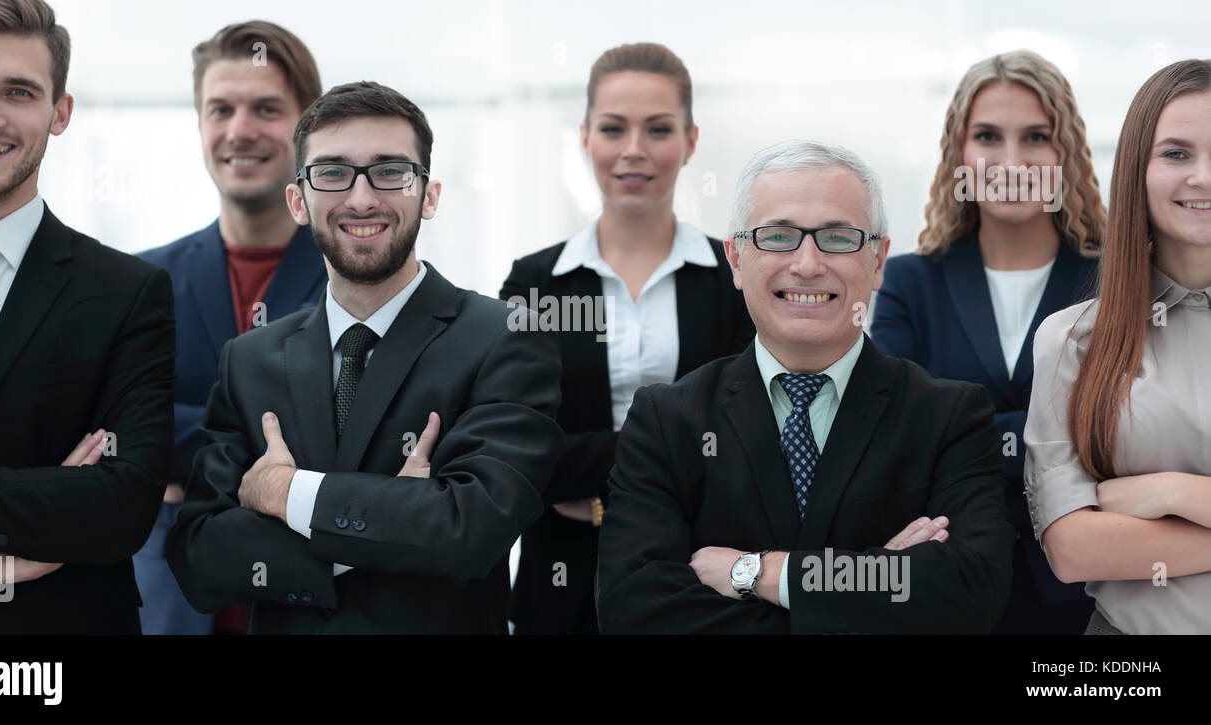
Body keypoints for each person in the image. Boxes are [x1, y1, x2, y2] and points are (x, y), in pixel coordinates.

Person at [166, 81, 565, 634]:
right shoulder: (250, 359)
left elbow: (470, 531)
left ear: (428, 194)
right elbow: (199, 557)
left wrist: (285, 493)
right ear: (298, 201)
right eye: (332, 173)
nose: (360, 198)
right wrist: (395, 520)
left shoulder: (504, 338)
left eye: (390, 171)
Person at [597, 139, 1015, 634]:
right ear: (735, 258)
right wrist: (873, 577)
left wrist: (760, 572)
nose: (808, 263)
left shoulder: (949, 416)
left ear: (878, 260)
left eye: (838, 238)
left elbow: (973, 589)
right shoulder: (667, 421)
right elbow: (635, 610)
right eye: (778, 237)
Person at [0, 0, 173, 634]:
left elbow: (119, 508)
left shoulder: (128, 293)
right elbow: (80, 507)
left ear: (60, 113)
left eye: (19, 92)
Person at [500, 42, 752, 635]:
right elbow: (524, 450)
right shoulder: (537, 283)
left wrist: (593, 498)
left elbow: (745, 447)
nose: (634, 150)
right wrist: (672, 465)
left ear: (690, 141)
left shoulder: (735, 277)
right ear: (585, 137)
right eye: (614, 128)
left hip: (703, 579)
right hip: (559, 584)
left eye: (658, 129)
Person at [871, 50, 1105, 634]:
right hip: (949, 582)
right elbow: (899, 430)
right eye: (987, 137)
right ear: (959, 153)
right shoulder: (906, 282)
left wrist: (965, 430)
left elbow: (1119, 430)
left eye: (1034, 137)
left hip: (1095, 594)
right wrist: (1048, 435)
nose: (1011, 161)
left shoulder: (1118, 280)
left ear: (1065, 154)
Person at [133, 20, 326, 636]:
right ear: (199, 125)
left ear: (307, 130)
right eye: (220, 109)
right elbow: (125, 428)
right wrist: (271, 463)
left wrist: (180, 464)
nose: (239, 130)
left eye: (265, 108)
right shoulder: (139, 284)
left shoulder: (358, 282)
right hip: (173, 605)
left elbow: (348, 436)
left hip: (313, 601)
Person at [1025, 58, 1211, 635]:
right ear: (1138, 169)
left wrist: (1168, 492)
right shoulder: (1071, 340)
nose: (1202, 176)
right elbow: (1074, 549)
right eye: (1177, 153)